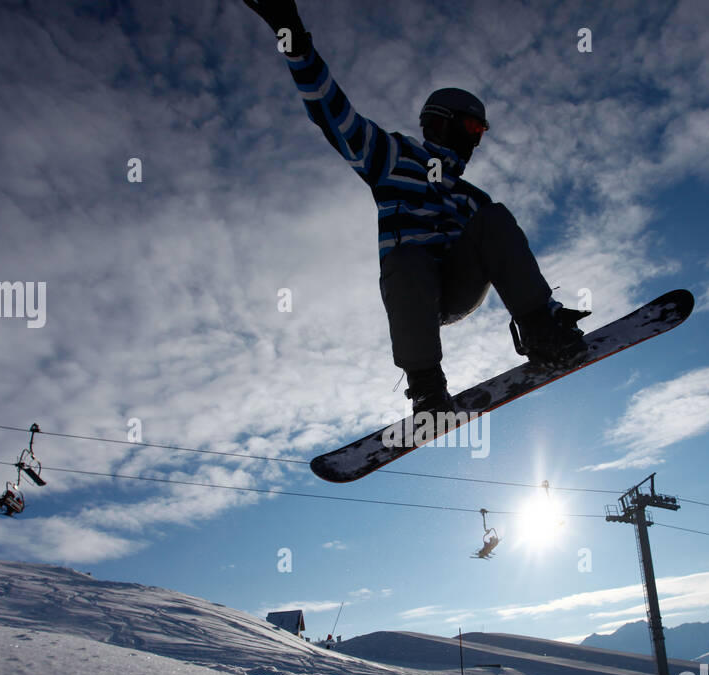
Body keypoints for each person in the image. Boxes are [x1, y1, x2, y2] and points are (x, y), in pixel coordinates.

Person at [244, 0, 589, 413]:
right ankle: (426, 385)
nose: (476, 140)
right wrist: (296, 44)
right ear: (442, 121)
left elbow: (507, 257)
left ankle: (540, 332)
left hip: (458, 285)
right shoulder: (392, 157)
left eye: (481, 132)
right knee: (407, 258)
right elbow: (333, 115)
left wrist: (547, 311)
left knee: (494, 217)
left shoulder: (470, 196)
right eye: (472, 127)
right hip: (414, 292)